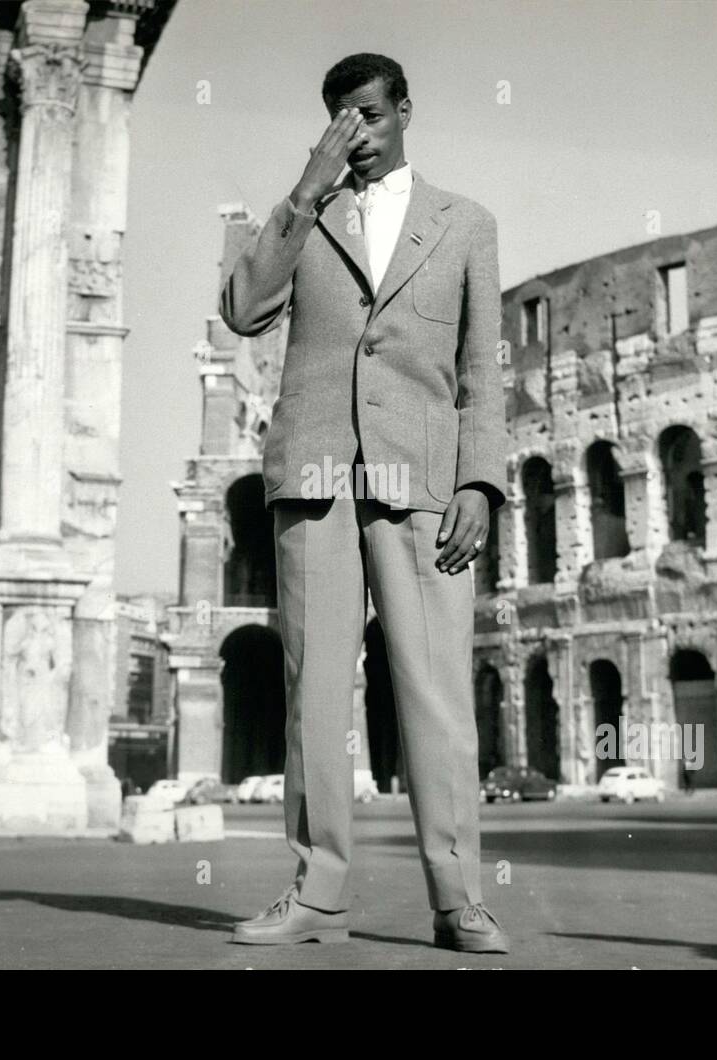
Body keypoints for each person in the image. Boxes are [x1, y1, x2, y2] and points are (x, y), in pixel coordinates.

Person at [219, 53, 509, 953]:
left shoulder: (465, 224)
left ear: (405, 112)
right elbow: (241, 306)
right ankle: (318, 896)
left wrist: (480, 483)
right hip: (317, 481)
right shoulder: (307, 215)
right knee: (315, 692)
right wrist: (307, 186)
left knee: (435, 692)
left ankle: (459, 898)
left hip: (421, 486)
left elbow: (479, 373)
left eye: (373, 115)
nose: (361, 134)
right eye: (343, 119)